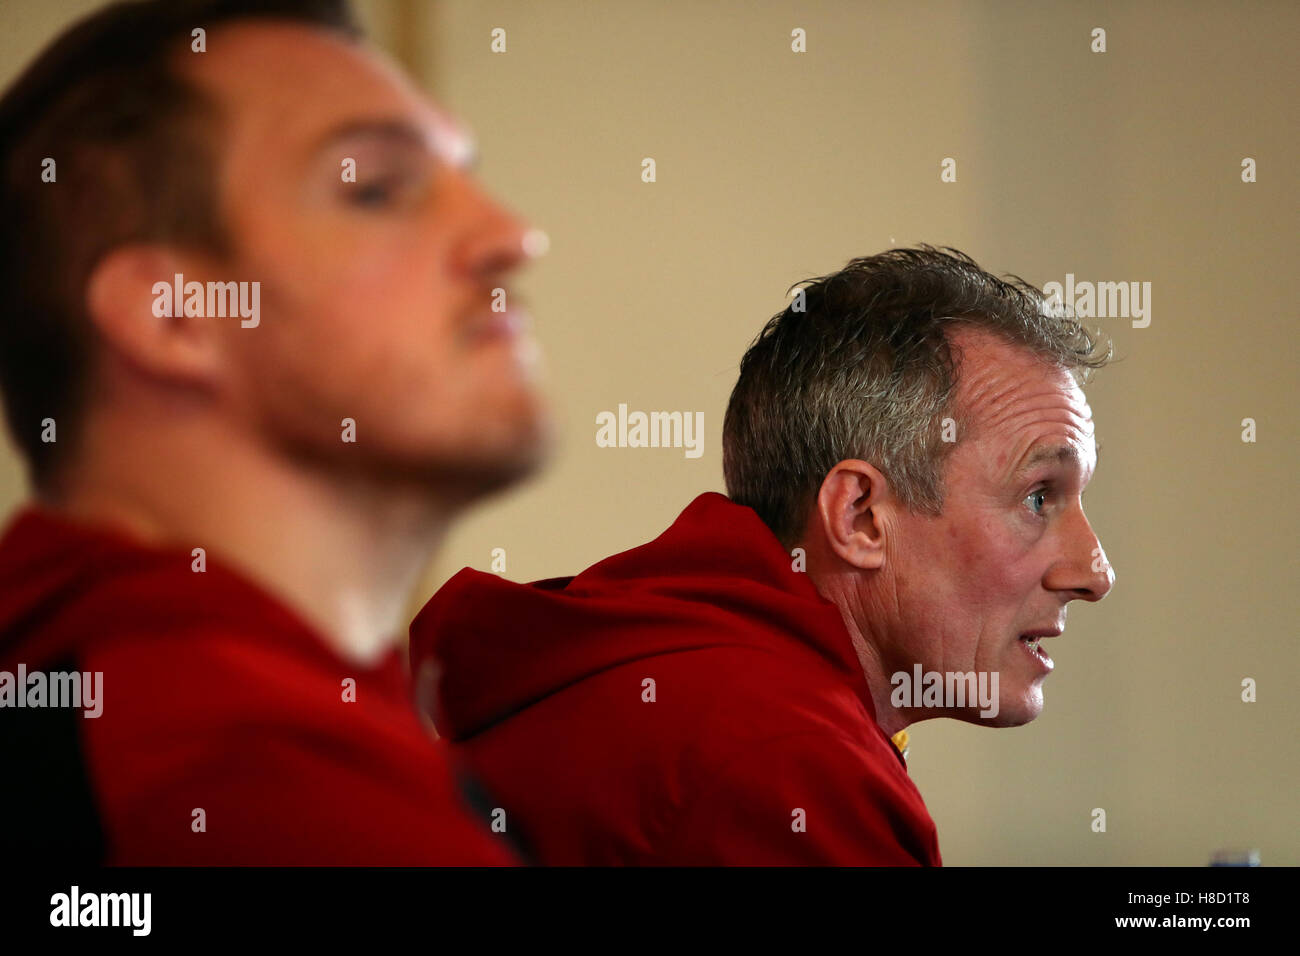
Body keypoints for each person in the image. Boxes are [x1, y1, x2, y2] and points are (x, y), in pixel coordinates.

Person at [0, 0, 551, 864]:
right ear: (178, 315)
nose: (512, 234)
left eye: (466, 175)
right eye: (374, 187)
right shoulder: (240, 791)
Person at [411, 246, 1116, 865]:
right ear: (861, 517)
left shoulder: (688, 673)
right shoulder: (783, 764)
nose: (1093, 571)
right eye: (1037, 497)